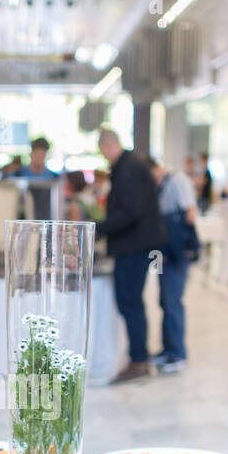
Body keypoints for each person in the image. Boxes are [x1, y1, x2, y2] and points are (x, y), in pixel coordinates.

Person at [95, 128, 167, 383]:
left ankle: (138, 360)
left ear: (106, 146)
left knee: (130, 302)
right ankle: (138, 358)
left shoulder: (128, 168)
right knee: (131, 302)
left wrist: (98, 229)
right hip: (134, 245)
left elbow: (130, 211)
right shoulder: (130, 165)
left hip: (133, 247)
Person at [149, 159, 198, 372]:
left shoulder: (178, 180)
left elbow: (190, 212)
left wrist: (183, 244)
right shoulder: (161, 186)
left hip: (177, 252)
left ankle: (178, 353)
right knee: (165, 300)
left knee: (173, 301)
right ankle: (167, 350)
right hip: (164, 252)